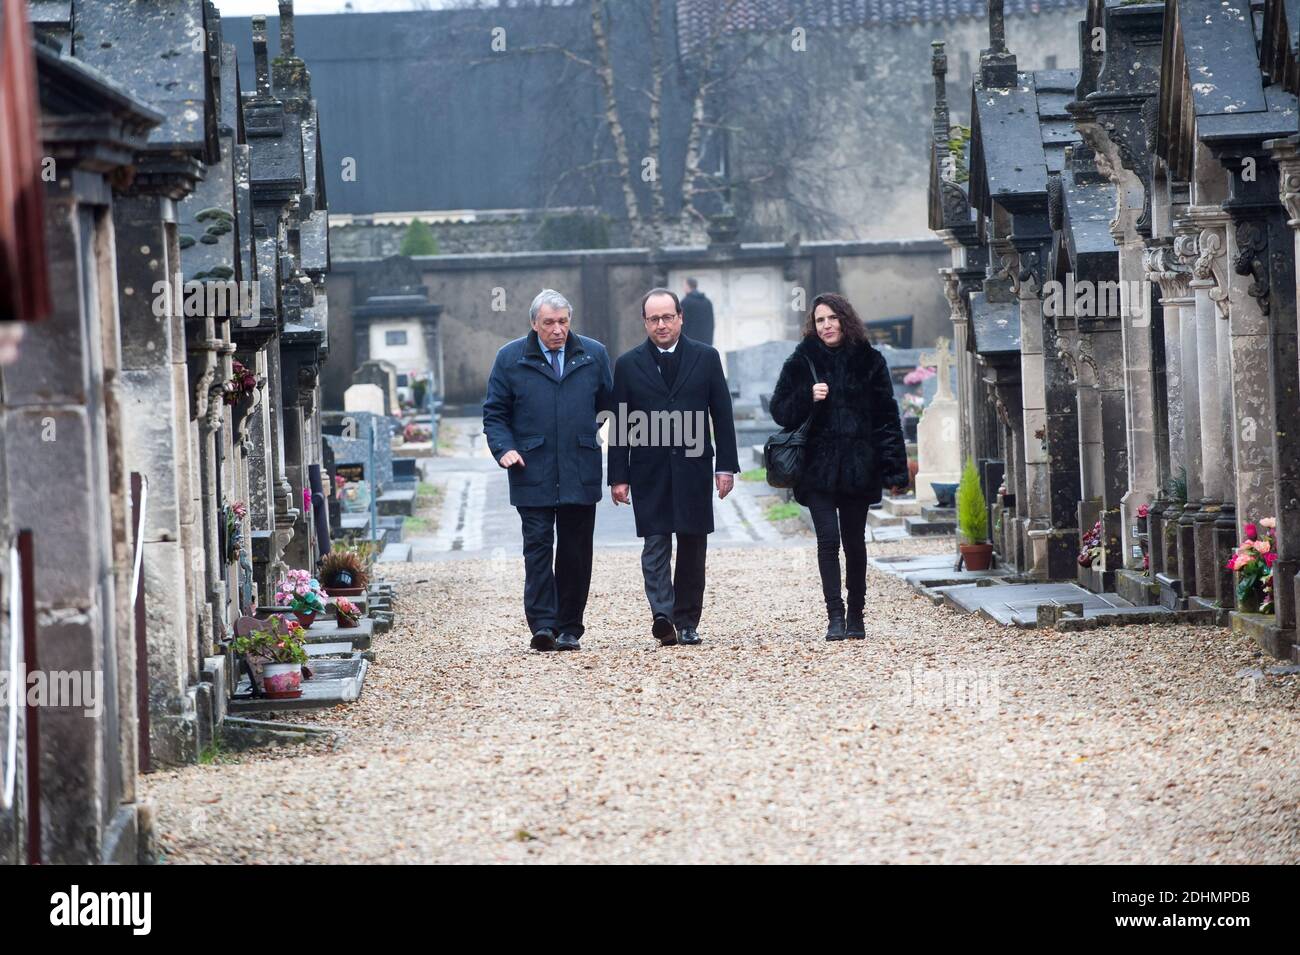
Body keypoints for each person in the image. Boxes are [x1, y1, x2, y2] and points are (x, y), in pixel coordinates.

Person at [768, 293, 909, 641]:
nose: (827, 325)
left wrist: (895, 471)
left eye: (832, 318)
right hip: (816, 468)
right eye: (820, 320)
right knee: (828, 541)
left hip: (859, 466)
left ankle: (856, 613)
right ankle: (834, 615)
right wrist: (806, 395)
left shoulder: (870, 361)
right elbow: (779, 411)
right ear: (812, 325)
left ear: (845, 320)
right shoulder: (802, 360)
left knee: (854, 542)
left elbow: (887, 418)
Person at [483, 289, 613, 652]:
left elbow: (609, 407)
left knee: (575, 551)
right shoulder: (509, 358)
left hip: (579, 468)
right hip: (531, 469)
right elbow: (495, 413)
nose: (558, 330)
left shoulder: (593, 354)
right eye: (549, 323)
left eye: (563, 322)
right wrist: (505, 449)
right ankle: (542, 625)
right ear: (534, 324)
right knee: (538, 548)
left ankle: (570, 626)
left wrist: (592, 437)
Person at [608, 288, 738, 646]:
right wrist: (618, 475)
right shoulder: (628, 364)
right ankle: (662, 615)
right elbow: (619, 423)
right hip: (648, 469)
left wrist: (726, 466)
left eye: (668, 317)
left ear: (681, 317)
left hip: (694, 466)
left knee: (693, 544)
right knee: (655, 543)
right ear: (645, 322)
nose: (661, 324)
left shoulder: (706, 358)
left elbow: (722, 415)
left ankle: (688, 620)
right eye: (654, 319)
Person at [680, 277, 715, 346]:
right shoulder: (707, 301)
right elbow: (711, 322)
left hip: (690, 343)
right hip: (706, 341)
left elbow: (682, 323)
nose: (683, 288)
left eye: (684, 285)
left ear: (688, 286)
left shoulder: (685, 302)